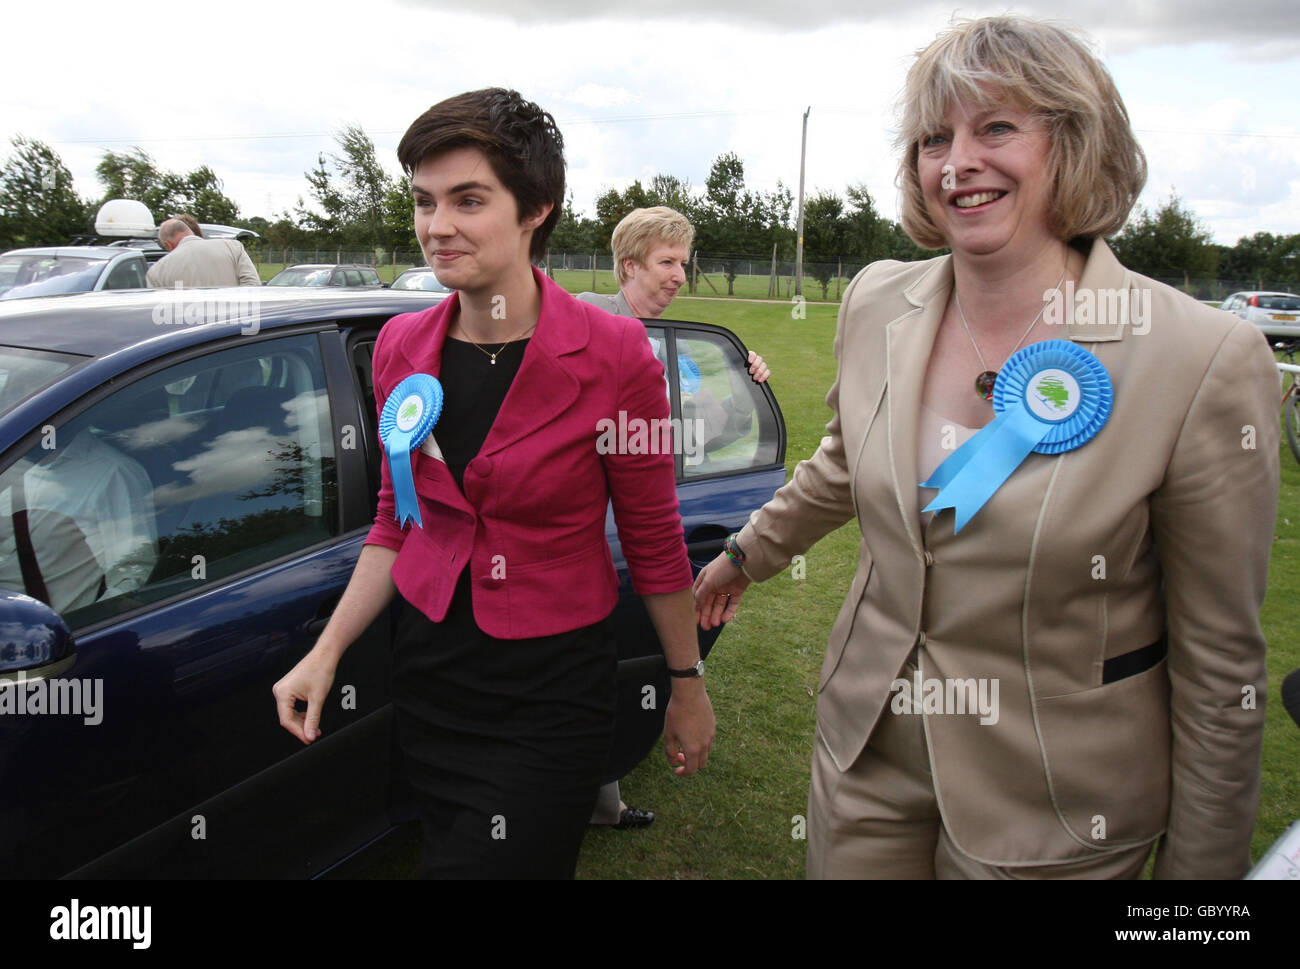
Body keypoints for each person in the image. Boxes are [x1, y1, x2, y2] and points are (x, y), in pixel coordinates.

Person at [693, 14, 1278, 879]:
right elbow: (846, 465)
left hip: (1055, 798)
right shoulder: (876, 300)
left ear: (1074, 144)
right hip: (866, 757)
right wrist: (744, 553)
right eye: (935, 137)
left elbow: (1222, 665)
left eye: (996, 127)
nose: (957, 161)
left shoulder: (1201, 356)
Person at [272, 88, 714, 879]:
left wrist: (685, 681)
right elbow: (394, 520)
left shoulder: (616, 355)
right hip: (433, 675)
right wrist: (328, 649)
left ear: (535, 208)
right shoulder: (400, 345)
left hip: (551, 692)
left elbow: (652, 540)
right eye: (423, 202)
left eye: (468, 200)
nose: (437, 226)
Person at [578, 205, 768, 829]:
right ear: (629, 266)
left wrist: (746, 384)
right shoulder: (587, 318)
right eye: (667, 263)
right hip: (595, 533)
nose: (680, 276)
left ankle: (603, 792)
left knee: (636, 655)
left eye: (684, 263)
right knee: (597, 665)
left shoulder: (677, 350)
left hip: (650, 524)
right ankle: (589, 789)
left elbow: (711, 430)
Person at [146, 218, 260, 288]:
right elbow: (253, 287)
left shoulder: (156, 272)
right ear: (190, 232)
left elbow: (160, 311)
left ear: (167, 245)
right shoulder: (233, 247)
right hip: (234, 323)